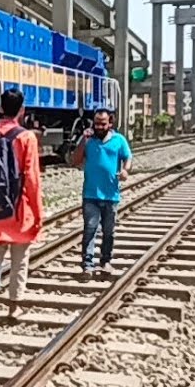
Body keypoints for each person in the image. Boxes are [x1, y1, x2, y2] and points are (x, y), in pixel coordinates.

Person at [0, 88, 43, 330]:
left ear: (0, 107)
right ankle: (14, 306)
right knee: (20, 259)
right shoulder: (26, 137)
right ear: (22, 110)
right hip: (18, 208)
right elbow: (32, 179)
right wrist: (38, 213)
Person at [71, 109, 132, 276]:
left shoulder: (119, 140)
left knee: (109, 231)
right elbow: (75, 160)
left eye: (102, 124)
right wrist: (83, 141)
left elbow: (128, 157)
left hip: (111, 194)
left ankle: (106, 261)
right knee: (90, 229)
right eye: (96, 123)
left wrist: (125, 170)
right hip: (91, 194)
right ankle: (87, 265)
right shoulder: (88, 141)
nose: (98, 127)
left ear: (110, 123)